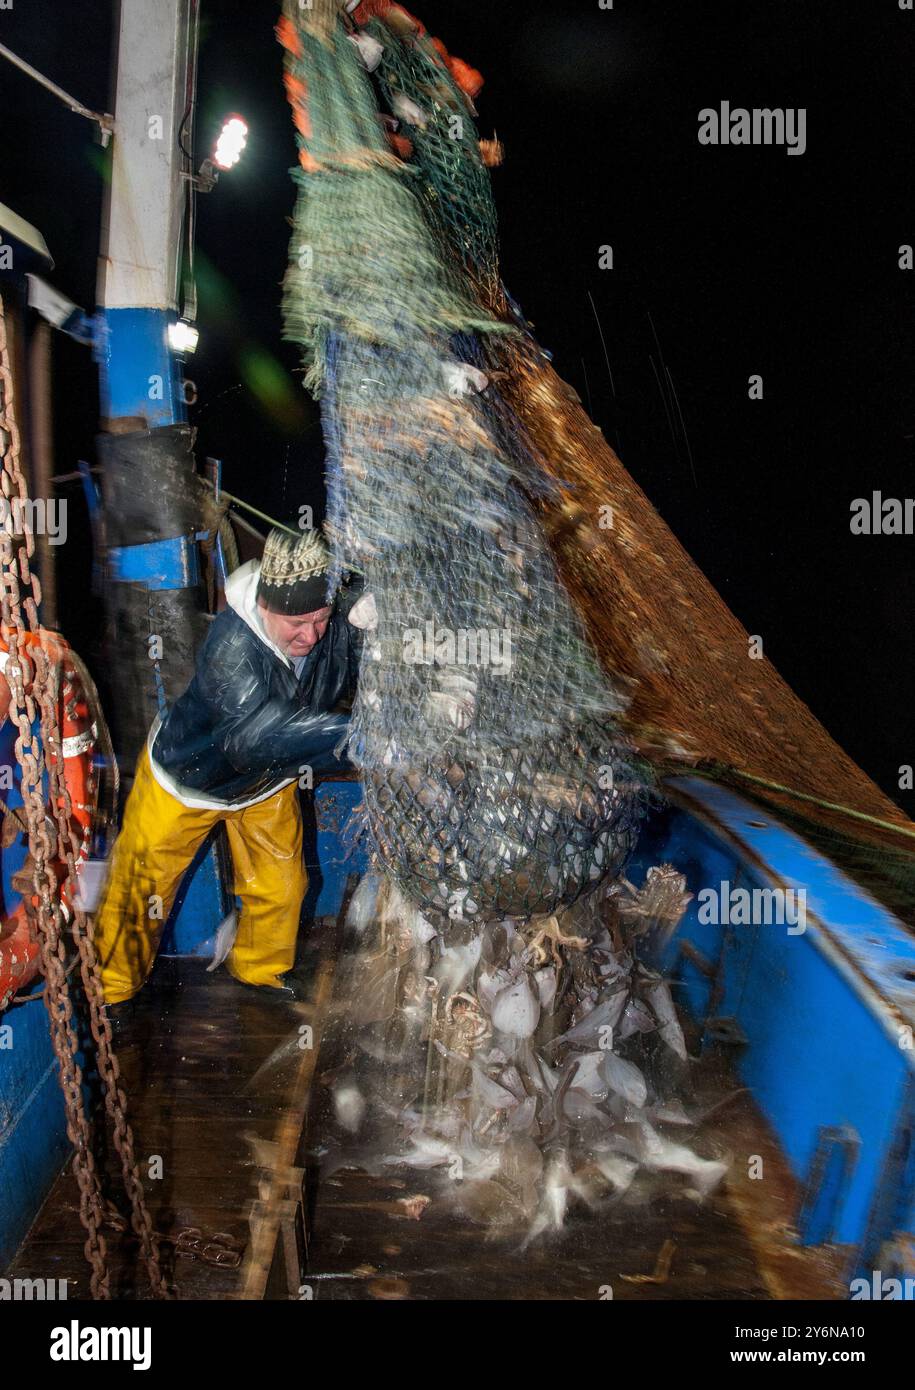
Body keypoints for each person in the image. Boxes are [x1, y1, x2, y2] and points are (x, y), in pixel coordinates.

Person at [94, 526, 362, 1011]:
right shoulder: (230, 648)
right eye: (297, 622)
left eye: (321, 619)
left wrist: (375, 613)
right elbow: (253, 740)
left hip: (264, 785)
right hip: (188, 782)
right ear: (265, 604)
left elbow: (357, 618)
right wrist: (358, 736)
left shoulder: (330, 621)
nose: (311, 635)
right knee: (139, 890)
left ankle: (260, 970)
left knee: (282, 886)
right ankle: (111, 994)